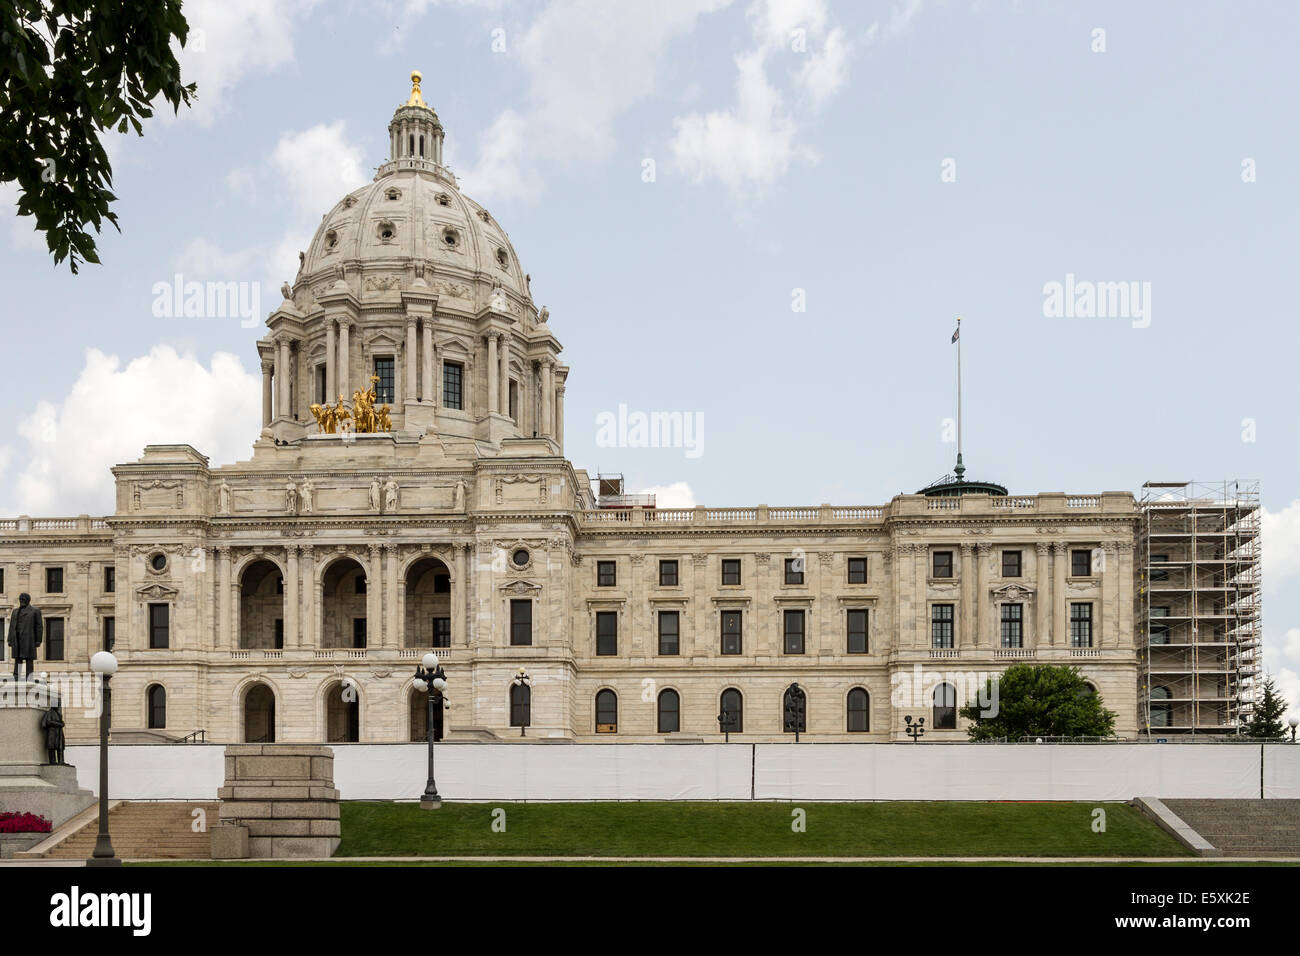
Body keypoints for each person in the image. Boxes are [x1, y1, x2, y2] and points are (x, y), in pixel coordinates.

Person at [7, 593, 42, 680]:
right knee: (17, 659)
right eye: (20, 599)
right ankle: (16, 676)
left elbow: (39, 626)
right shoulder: (15, 611)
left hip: (29, 638)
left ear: (28, 600)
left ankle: (29, 677)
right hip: (17, 638)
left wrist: (38, 640)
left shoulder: (35, 611)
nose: (21, 600)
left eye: (23, 599)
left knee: (29, 659)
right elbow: (11, 626)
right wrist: (10, 640)